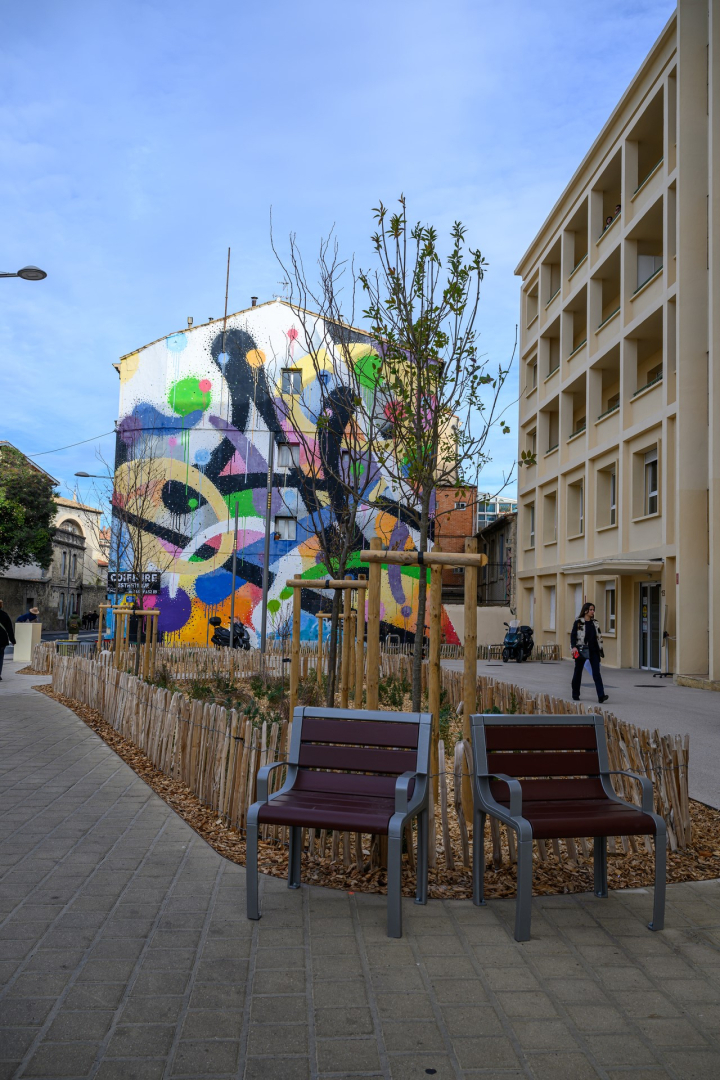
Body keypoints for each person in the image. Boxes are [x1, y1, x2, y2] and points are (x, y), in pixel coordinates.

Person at [570, 602, 608, 704]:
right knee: (578, 672)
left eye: (593, 610)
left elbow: (598, 637)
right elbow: (573, 636)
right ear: (586, 610)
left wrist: (600, 649)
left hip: (594, 651)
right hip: (581, 649)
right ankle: (575, 693)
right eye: (591, 610)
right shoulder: (578, 622)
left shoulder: (595, 622)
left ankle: (601, 696)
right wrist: (574, 647)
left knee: (596, 673)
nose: (592, 612)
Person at [0, 600, 16, 681]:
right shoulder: (5, 615)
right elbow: (9, 629)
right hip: (2, 639)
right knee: (0, 657)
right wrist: (13, 640)